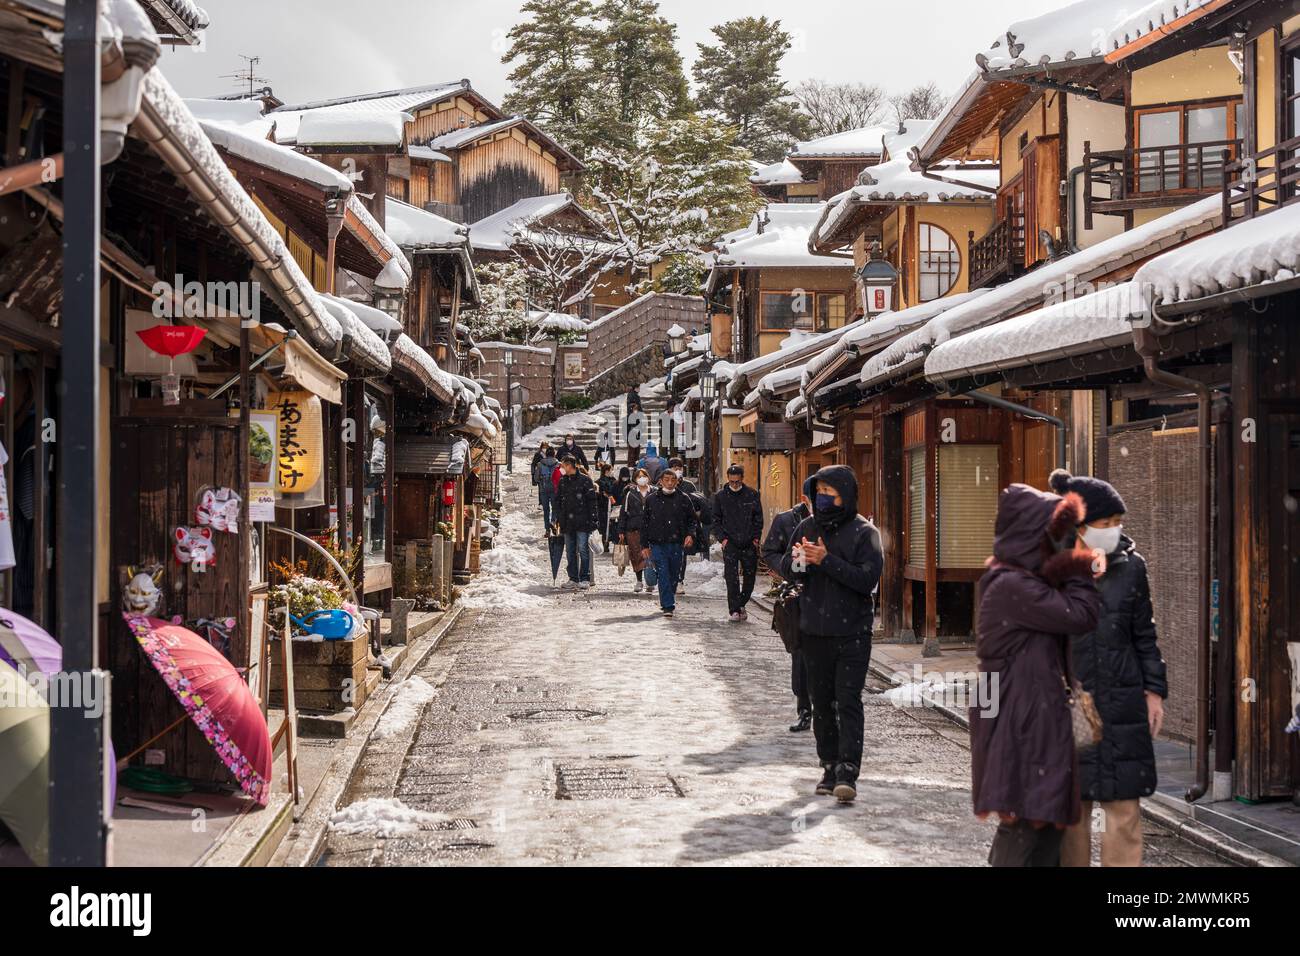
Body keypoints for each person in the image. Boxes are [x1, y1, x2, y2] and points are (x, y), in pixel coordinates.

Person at [971, 483, 1103, 867]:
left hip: (1027, 714)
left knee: (1040, 825)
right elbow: (1082, 614)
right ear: (1033, 536)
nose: (1060, 544)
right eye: (1055, 536)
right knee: (1026, 823)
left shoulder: (1018, 580)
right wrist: (1074, 565)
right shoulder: (1013, 585)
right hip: (1021, 718)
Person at [1048, 470, 1167, 868]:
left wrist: (1154, 692)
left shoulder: (1132, 568)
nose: (1114, 531)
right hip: (1072, 703)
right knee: (1074, 810)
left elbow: (1144, 635)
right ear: (1080, 526)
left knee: (1124, 809)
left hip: (1123, 700)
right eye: (1105, 524)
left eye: (1118, 524)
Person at [778, 465, 883, 804]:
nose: (822, 499)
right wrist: (799, 560)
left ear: (845, 495)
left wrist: (826, 560)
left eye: (829, 493)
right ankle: (828, 765)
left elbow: (866, 580)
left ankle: (848, 770)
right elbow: (788, 570)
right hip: (813, 630)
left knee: (848, 701)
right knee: (821, 703)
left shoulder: (864, 533)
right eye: (818, 492)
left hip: (852, 631)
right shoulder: (806, 527)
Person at [763, 481, 813, 732]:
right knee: (801, 655)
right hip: (799, 597)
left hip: (833, 603)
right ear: (806, 498)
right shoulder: (790, 521)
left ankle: (832, 710)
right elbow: (771, 552)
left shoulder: (845, 524)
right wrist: (790, 569)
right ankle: (804, 709)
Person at [640, 468, 697, 618]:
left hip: (677, 543)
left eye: (673, 480)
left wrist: (690, 535)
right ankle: (668, 605)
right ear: (660, 481)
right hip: (657, 544)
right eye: (667, 480)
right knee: (663, 573)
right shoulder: (652, 499)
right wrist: (644, 545)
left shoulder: (683, 498)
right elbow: (644, 524)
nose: (670, 483)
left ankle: (668, 597)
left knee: (673, 575)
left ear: (677, 481)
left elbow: (692, 520)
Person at [712, 464, 763, 623]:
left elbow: (758, 519)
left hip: (749, 542)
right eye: (732, 481)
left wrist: (756, 538)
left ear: (742, 479)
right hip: (730, 542)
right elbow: (716, 520)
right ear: (728, 479)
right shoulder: (720, 496)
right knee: (731, 577)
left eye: (737, 481)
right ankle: (734, 609)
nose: (734, 484)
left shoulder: (752, 494)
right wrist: (723, 539)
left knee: (749, 577)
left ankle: (741, 603)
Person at [555, 456, 597, 590]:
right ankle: (573, 578)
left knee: (584, 550)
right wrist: (557, 518)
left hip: (583, 522)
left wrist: (593, 520)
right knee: (570, 551)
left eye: (563, 466)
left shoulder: (585, 481)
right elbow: (558, 501)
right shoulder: (562, 482)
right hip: (567, 523)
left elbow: (592, 502)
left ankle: (584, 577)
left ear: (570, 465)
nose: (562, 469)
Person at [616, 467, 655, 593]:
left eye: (644, 476)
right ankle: (639, 581)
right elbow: (624, 513)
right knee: (636, 555)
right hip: (633, 529)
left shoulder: (654, 492)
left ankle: (650, 580)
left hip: (652, 529)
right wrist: (621, 531)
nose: (642, 478)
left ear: (648, 477)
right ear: (635, 479)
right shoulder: (630, 494)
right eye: (639, 476)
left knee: (651, 555)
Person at [534, 445, 560, 530]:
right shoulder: (558, 465)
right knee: (555, 507)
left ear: (546, 454)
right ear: (554, 454)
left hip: (543, 489)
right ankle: (553, 521)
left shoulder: (540, 464)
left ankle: (547, 529)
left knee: (546, 510)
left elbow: (536, 478)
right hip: (555, 489)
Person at [596, 462, 618, 552]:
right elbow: (597, 494)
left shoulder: (614, 481)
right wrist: (603, 495)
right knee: (604, 525)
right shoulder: (599, 482)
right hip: (603, 506)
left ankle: (612, 540)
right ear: (606, 471)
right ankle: (605, 542)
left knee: (613, 524)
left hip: (613, 506)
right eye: (610, 470)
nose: (612, 472)